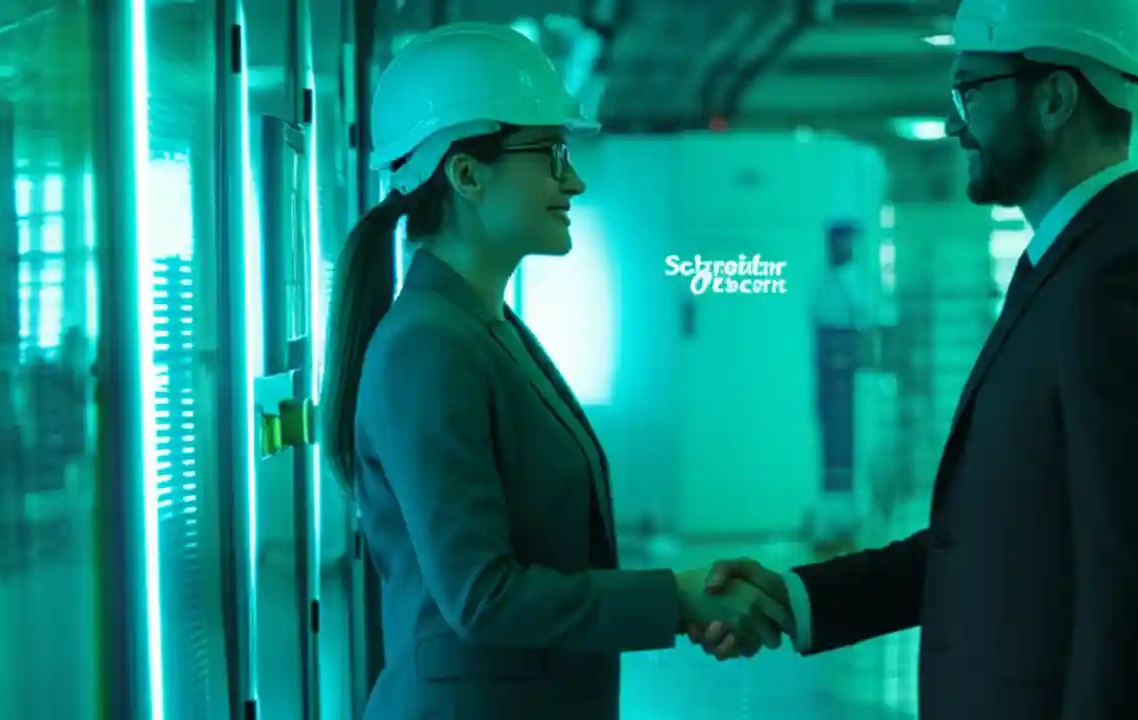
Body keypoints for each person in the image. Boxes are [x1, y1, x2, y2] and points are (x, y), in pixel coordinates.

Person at [689, 0, 1138, 717]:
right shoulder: (1076, 265)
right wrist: (797, 597)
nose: (954, 122)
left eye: (970, 91)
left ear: (1053, 99)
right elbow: (999, 542)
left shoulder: (1129, 280)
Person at [318, 22, 790, 720]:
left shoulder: (482, 328)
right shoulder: (429, 346)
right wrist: (679, 595)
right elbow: (483, 597)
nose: (574, 178)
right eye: (549, 153)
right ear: (467, 174)